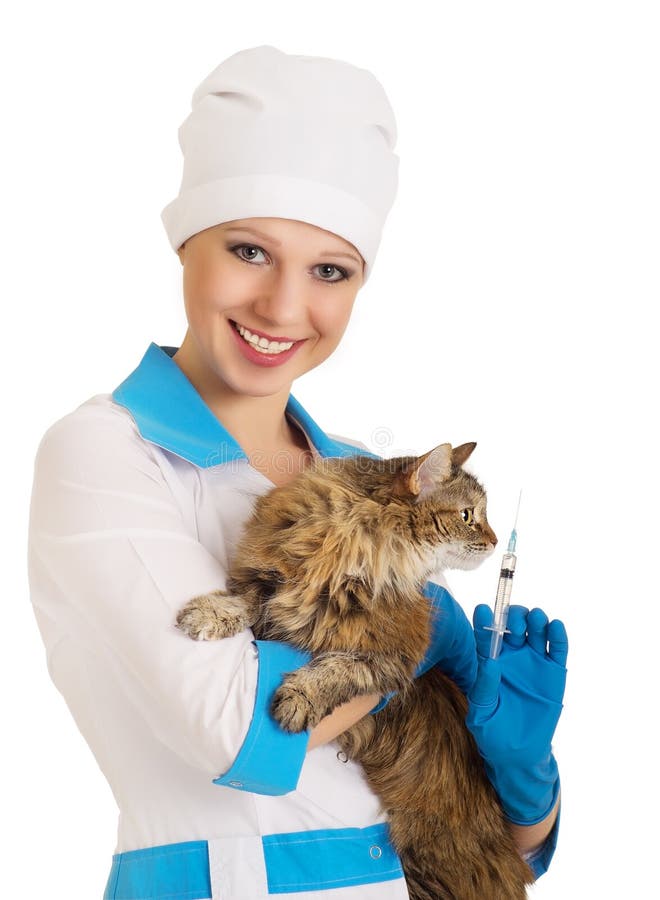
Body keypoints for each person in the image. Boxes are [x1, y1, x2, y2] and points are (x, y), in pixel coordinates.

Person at [27, 45, 567, 899]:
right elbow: (238, 722)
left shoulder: (359, 476)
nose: (283, 307)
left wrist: (520, 768)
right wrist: (414, 651)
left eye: (329, 270)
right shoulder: (105, 452)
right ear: (184, 246)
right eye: (248, 250)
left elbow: (510, 847)